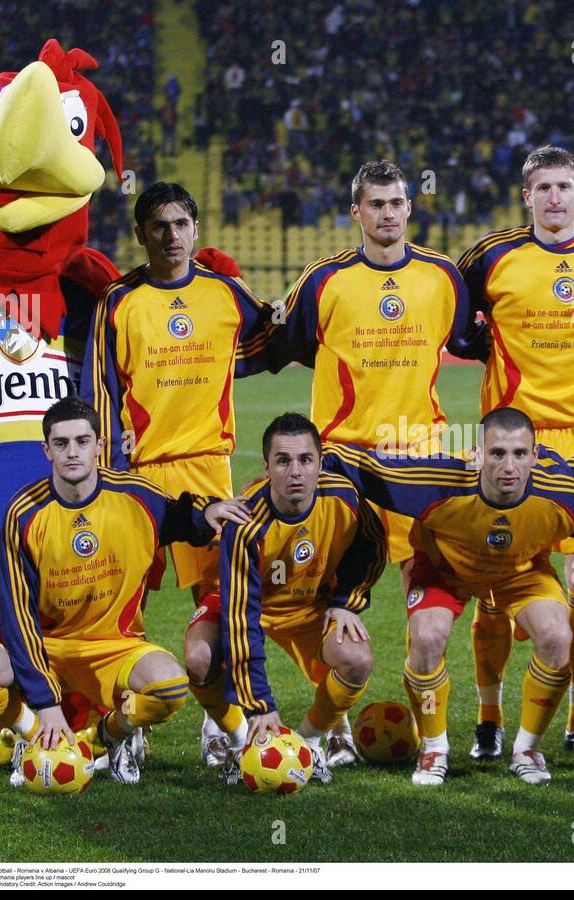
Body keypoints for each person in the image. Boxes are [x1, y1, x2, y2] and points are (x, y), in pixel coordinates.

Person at [265, 159, 475, 765]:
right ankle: (330, 727)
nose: (388, 214)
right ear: (356, 212)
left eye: (397, 203)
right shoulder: (325, 280)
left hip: (419, 460)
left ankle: (432, 737)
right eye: (375, 204)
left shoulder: (442, 277)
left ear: (410, 208)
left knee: (425, 602)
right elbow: (286, 346)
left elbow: (470, 339)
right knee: (324, 594)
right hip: (342, 463)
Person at [82, 181, 274, 770]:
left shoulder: (224, 295)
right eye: (159, 226)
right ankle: (128, 723)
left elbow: (266, 343)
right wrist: (104, 473)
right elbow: (98, 390)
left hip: (209, 469)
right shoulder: (118, 301)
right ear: (141, 234)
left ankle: (221, 726)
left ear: (196, 230)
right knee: (123, 606)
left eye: (181, 224)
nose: (171, 236)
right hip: (138, 474)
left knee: (218, 606)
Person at [0, 396, 237, 785]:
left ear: (100, 446)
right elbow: (17, 616)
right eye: (61, 443)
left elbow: (180, 518)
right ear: (47, 451)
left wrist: (207, 516)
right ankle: (33, 737)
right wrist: (46, 707)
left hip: (115, 646)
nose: (73, 452)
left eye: (83, 441)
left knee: (170, 684)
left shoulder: (135, 496)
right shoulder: (23, 513)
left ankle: (108, 736)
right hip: (50, 646)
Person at [456, 145, 574, 762]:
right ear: (526, 196)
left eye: (565, 186)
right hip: (514, 452)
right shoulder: (492, 256)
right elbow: (457, 327)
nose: (555, 197)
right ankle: (489, 719)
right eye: (543, 187)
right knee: (497, 589)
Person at [323, 408, 574, 786]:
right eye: (496, 453)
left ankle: (527, 749)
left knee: (558, 636)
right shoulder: (436, 483)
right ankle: (434, 748)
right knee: (427, 637)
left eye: (519, 454)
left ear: (535, 454)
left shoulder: (563, 493)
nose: (508, 466)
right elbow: (364, 464)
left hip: (519, 572)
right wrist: (309, 463)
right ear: (476, 454)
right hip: (445, 571)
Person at [183, 413, 386, 785]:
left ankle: (309, 743)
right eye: (283, 460)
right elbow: (241, 617)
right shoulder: (246, 525)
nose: (296, 471)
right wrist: (260, 705)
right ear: (266, 467)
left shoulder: (345, 498)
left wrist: (346, 600)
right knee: (199, 657)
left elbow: (372, 546)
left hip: (310, 605)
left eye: (305, 460)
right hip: (242, 602)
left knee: (357, 659)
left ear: (320, 463)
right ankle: (238, 740)